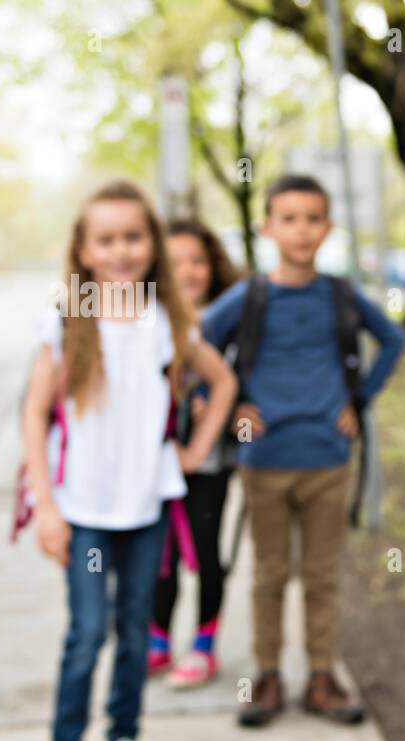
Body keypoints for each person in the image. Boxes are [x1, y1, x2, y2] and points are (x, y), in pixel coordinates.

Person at [22, 181, 237, 741]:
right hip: (84, 513)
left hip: (146, 510)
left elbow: (221, 383)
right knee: (88, 633)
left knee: (135, 633)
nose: (122, 250)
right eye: (107, 239)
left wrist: (193, 453)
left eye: (133, 237)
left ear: (152, 246)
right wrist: (47, 506)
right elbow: (34, 415)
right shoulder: (66, 320)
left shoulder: (166, 322)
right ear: (84, 250)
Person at [201, 174, 405, 728]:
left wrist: (358, 399)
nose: (302, 229)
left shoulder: (340, 295)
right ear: (267, 228)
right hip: (263, 461)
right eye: (288, 219)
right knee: (269, 575)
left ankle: (321, 677)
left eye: (313, 218)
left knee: (322, 575)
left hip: (327, 460)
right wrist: (229, 404)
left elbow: (393, 340)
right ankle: (266, 677)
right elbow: (197, 346)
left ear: (328, 227)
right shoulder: (251, 295)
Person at [148, 218, 242, 689]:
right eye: (176, 261)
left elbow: (248, 379)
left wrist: (227, 407)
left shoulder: (232, 317)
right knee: (159, 550)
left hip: (209, 459)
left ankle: (204, 644)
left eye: (198, 261)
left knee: (204, 549)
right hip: (154, 458)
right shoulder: (146, 314)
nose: (188, 271)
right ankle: (158, 637)